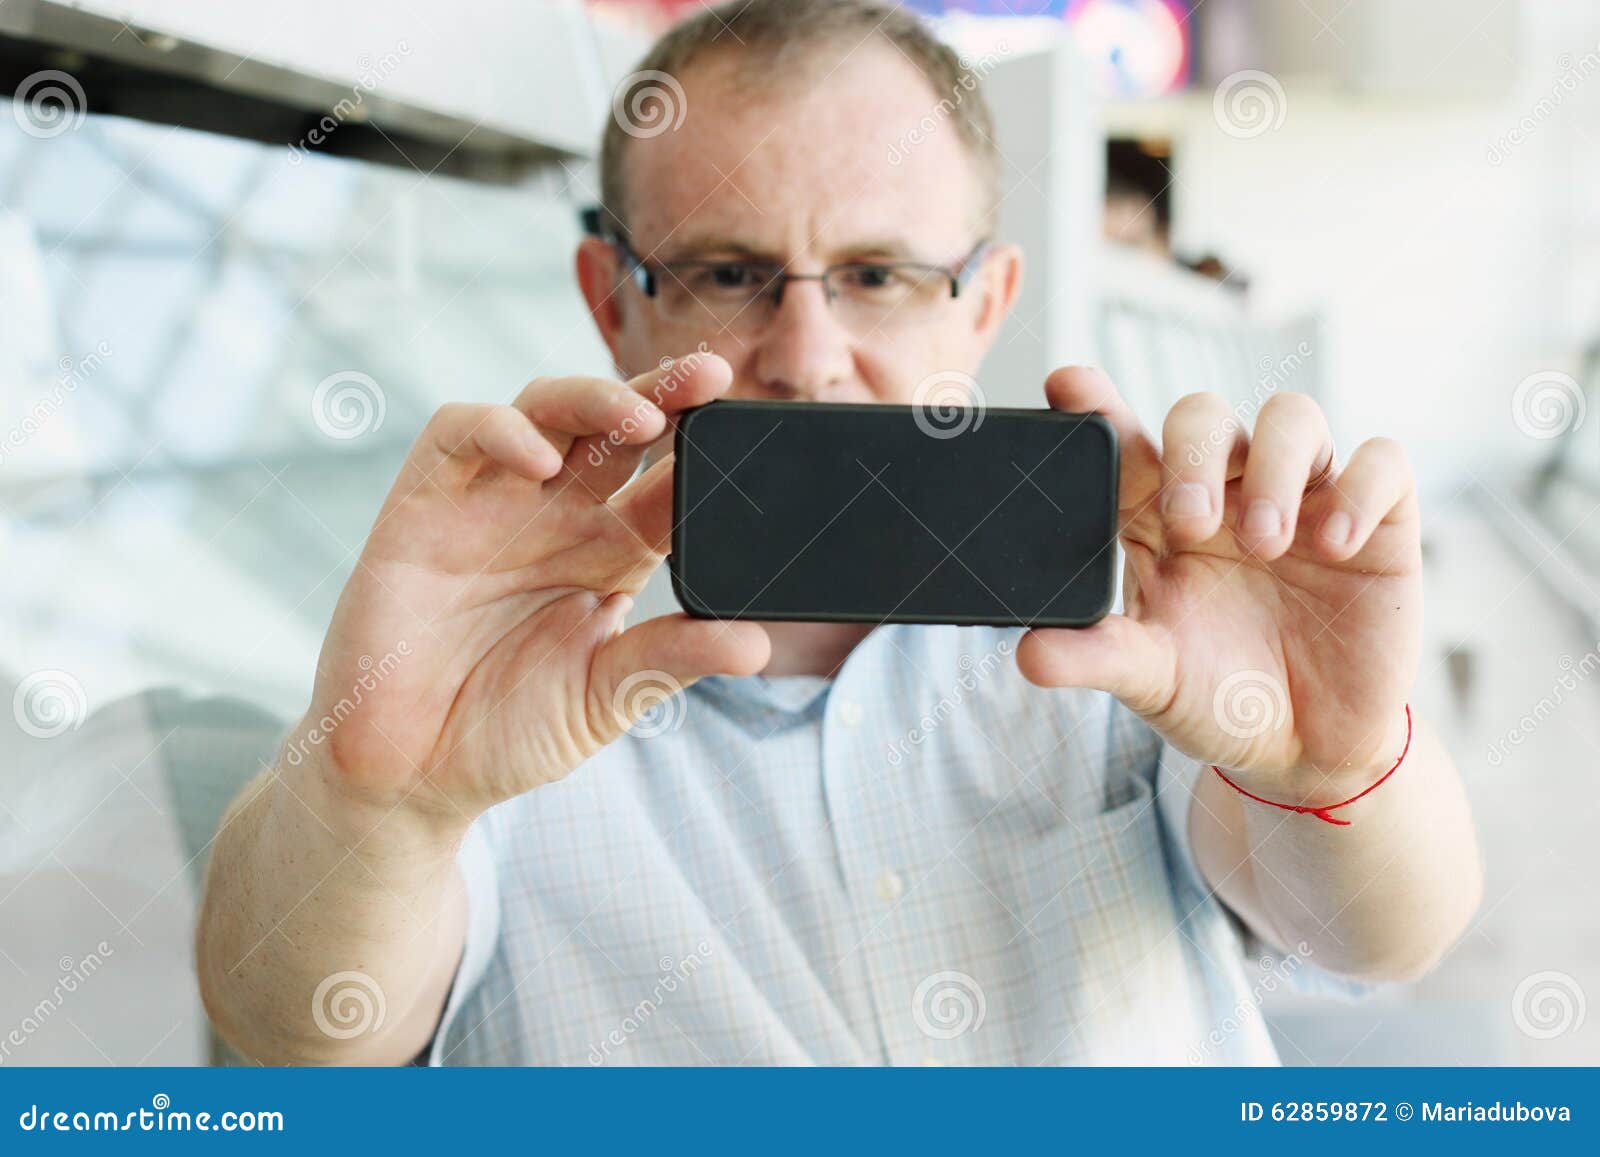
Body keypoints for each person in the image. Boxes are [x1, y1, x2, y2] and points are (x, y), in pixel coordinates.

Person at [196, 0, 1481, 1066]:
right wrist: (379, 800)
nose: (808, 358)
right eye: (727, 271)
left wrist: (1335, 762)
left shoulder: (1140, 617)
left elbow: (1378, 939)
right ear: (613, 303)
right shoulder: (504, 656)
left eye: (878, 274)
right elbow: (290, 1031)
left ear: (985, 302)